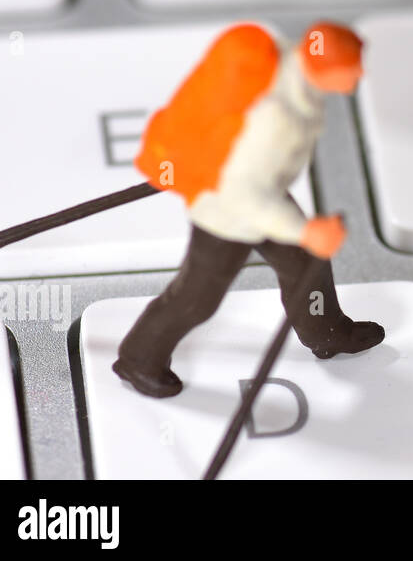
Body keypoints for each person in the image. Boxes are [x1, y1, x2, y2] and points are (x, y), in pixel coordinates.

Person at [113, 21, 383, 398]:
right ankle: (138, 358)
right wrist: (305, 232)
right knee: (196, 299)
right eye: (352, 67)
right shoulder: (277, 120)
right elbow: (244, 196)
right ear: (327, 69)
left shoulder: (293, 66)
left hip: (263, 194)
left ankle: (328, 333)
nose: (361, 73)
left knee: (307, 265)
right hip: (225, 214)